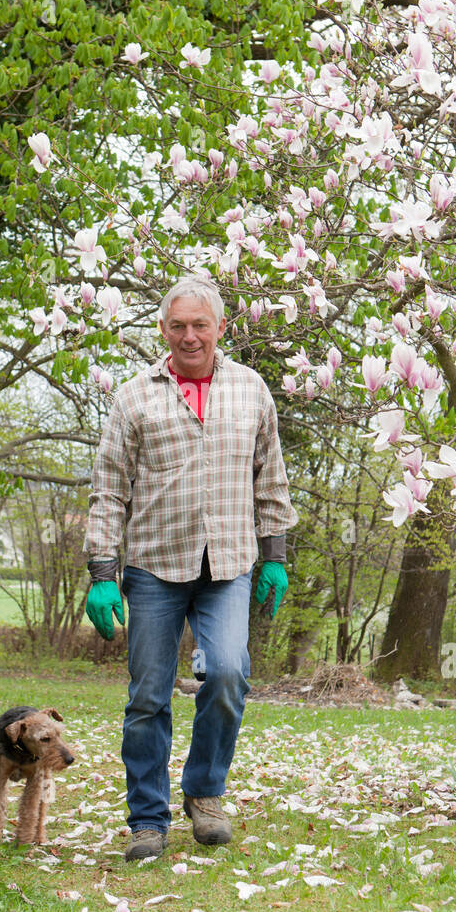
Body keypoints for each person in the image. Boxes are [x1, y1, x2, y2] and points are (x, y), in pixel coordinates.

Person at [83, 275, 298, 861]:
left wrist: (275, 556)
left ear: (220, 327)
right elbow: (108, 490)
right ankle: (147, 820)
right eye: (178, 325)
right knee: (148, 696)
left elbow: (271, 479)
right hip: (154, 565)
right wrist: (102, 572)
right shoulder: (133, 397)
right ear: (162, 330)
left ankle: (204, 793)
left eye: (200, 324)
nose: (189, 336)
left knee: (226, 673)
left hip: (228, 565)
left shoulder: (251, 390)